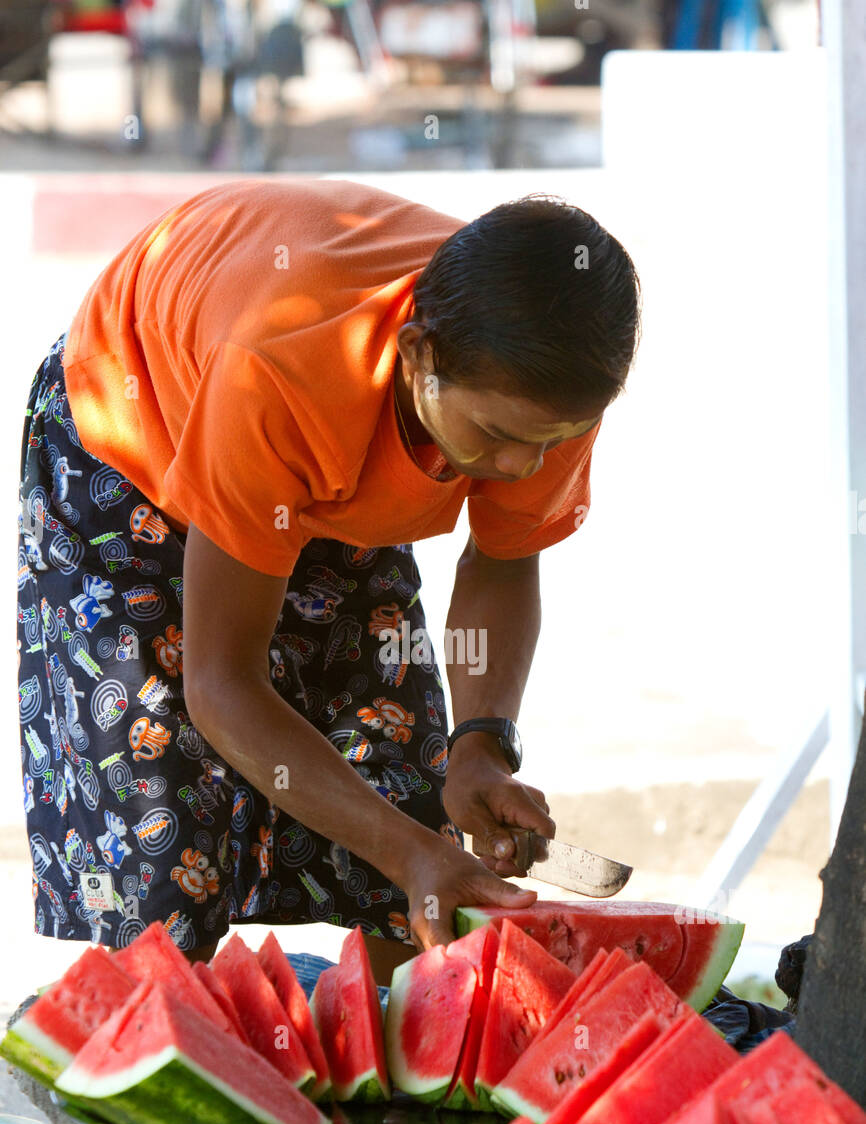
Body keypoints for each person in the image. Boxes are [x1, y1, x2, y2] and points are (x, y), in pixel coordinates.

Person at [16, 177, 640, 986]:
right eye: (496, 435)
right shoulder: (281, 370)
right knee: (165, 834)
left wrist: (482, 747)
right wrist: (408, 851)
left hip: (317, 454)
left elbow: (503, 555)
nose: (522, 467)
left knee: (407, 787)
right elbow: (220, 682)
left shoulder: (542, 381)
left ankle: (402, 1036)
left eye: (554, 441)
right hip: (138, 439)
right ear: (418, 355)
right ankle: (153, 1036)